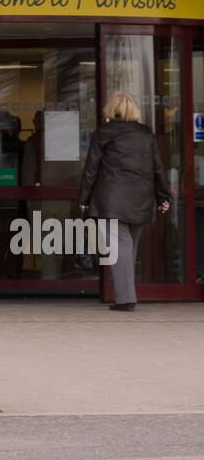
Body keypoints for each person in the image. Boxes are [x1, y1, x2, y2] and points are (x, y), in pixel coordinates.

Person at [78, 91, 171, 311]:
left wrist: (84, 198)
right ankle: (125, 295)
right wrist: (163, 196)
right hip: (140, 199)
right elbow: (157, 166)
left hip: (111, 199)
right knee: (128, 248)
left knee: (120, 249)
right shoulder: (146, 134)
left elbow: (91, 168)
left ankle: (126, 298)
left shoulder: (104, 132)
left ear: (112, 109)